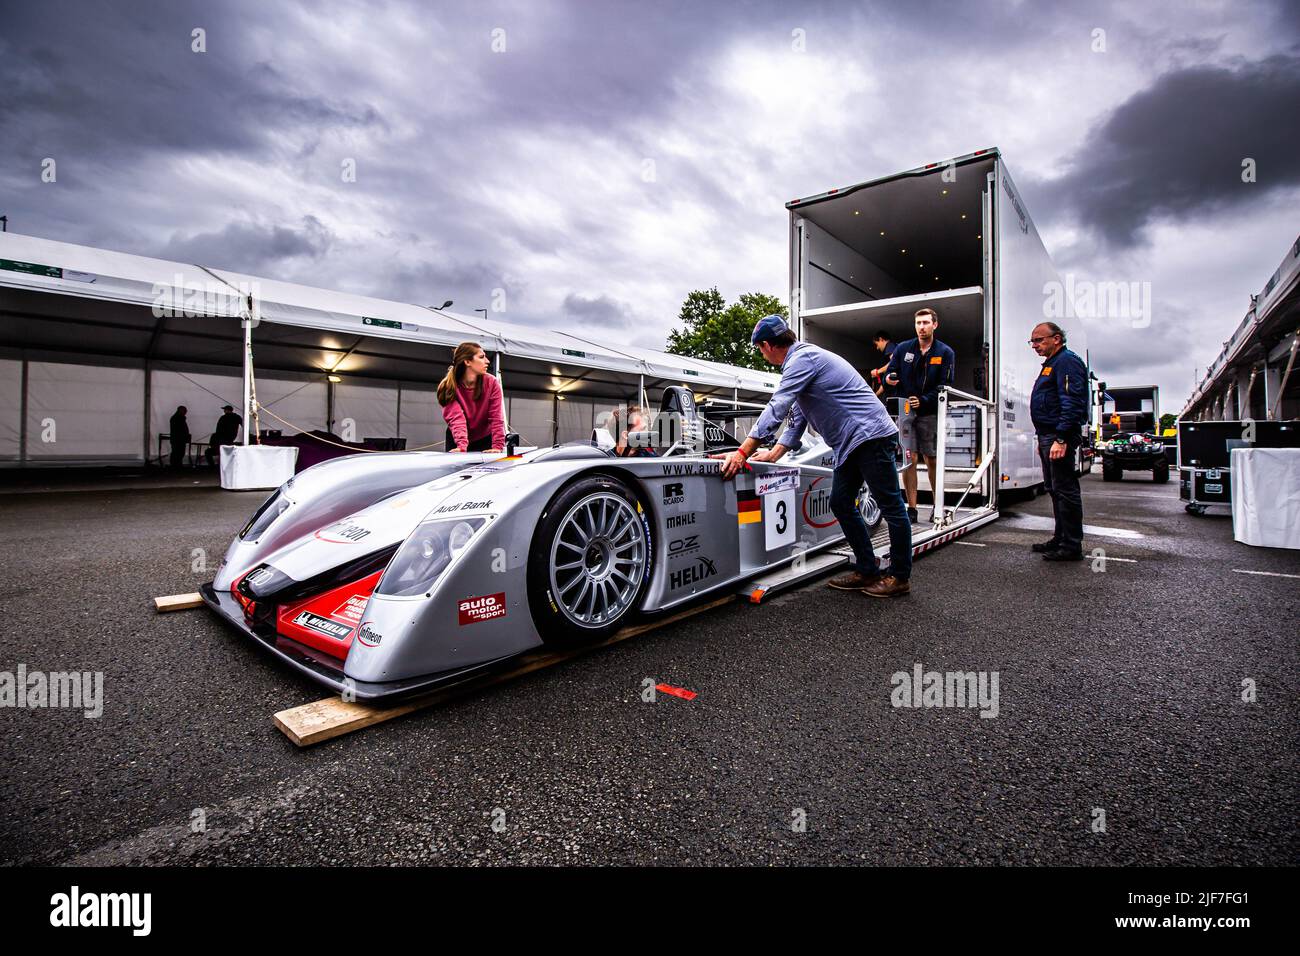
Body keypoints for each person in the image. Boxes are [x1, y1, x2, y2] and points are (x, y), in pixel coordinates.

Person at [718, 315, 913, 598]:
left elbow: (777, 406)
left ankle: (899, 576)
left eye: (760, 349)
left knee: (891, 505)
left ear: (767, 345)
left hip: (870, 436)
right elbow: (796, 418)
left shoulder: (802, 359)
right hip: (851, 443)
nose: (762, 355)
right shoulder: (801, 363)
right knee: (841, 502)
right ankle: (868, 569)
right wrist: (773, 454)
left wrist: (741, 453)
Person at [885, 307, 955, 523]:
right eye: (918, 323)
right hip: (906, 411)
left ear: (935, 325)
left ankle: (937, 506)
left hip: (930, 412)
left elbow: (946, 385)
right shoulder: (903, 348)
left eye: (926, 323)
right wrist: (889, 379)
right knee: (910, 458)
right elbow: (891, 372)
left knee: (931, 459)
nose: (921, 327)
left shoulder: (945, 352)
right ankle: (912, 509)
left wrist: (924, 400)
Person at [1028, 321, 1088, 561]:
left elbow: (1072, 401)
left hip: (1058, 435)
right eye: (1032, 341)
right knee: (1054, 490)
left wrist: (1061, 438)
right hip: (1048, 435)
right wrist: (1042, 437)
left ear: (1057, 339)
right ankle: (1060, 538)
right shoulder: (1052, 363)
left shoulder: (1067, 361)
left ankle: (1071, 546)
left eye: (1039, 340)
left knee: (1065, 490)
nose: (1035, 345)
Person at [438, 341, 506, 453]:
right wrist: (461, 446)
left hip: (485, 439)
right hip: (457, 439)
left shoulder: (492, 383)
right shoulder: (448, 386)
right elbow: (456, 419)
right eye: (481, 357)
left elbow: (496, 418)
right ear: (467, 361)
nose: (487, 361)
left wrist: (497, 447)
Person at [869, 330, 896, 400]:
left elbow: (894, 362)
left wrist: (878, 371)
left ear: (881, 339)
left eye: (877, 344)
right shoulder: (888, 354)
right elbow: (885, 385)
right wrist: (875, 395)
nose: (877, 348)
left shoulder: (890, 346)